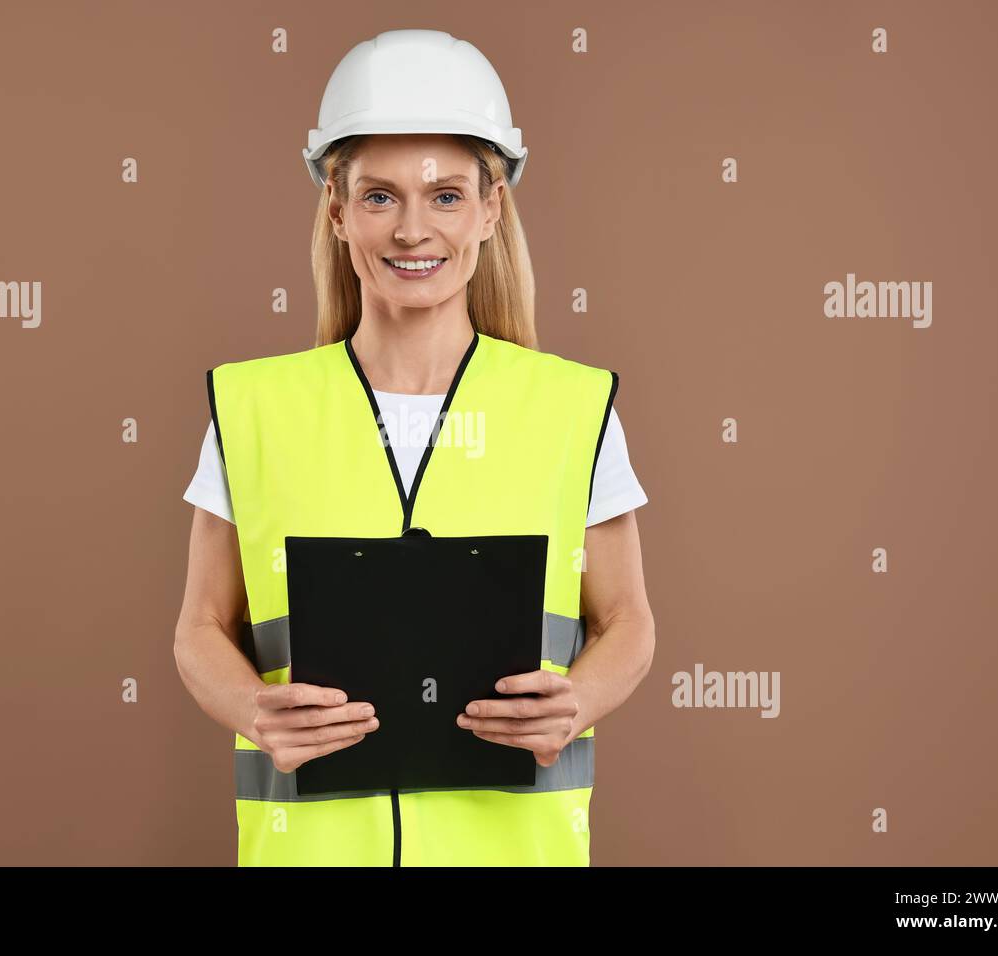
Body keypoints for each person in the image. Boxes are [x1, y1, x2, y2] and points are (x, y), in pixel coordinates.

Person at [174, 29, 655, 866]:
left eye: (445, 195)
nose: (411, 231)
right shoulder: (251, 408)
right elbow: (200, 629)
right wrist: (255, 710)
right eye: (379, 196)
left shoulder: (574, 409)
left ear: (490, 208)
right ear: (336, 209)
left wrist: (573, 702)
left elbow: (630, 624)